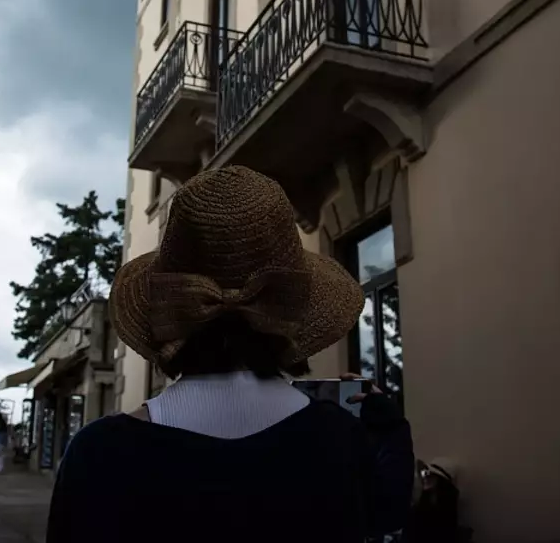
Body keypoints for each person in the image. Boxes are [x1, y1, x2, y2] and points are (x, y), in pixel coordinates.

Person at [47, 166, 415, 543]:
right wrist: (389, 430)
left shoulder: (98, 455)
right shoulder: (342, 441)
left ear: (172, 315)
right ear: (290, 313)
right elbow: (386, 511)